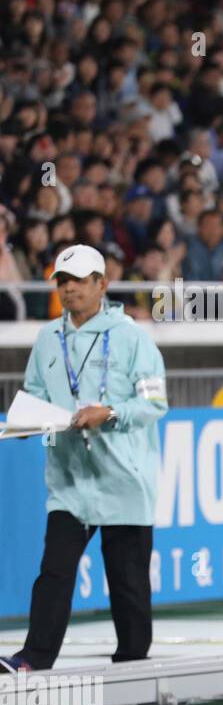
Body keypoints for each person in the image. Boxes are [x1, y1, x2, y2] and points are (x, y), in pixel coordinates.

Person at [2, 244, 167, 673]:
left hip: (124, 480)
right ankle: (33, 658)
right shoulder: (46, 338)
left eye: (78, 280)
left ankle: (132, 663)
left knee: (128, 582)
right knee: (54, 572)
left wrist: (109, 413)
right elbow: (36, 392)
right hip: (70, 480)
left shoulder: (133, 338)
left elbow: (154, 404)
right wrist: (24, 422)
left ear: (102, 285)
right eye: (62, 280)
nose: (69, 288)